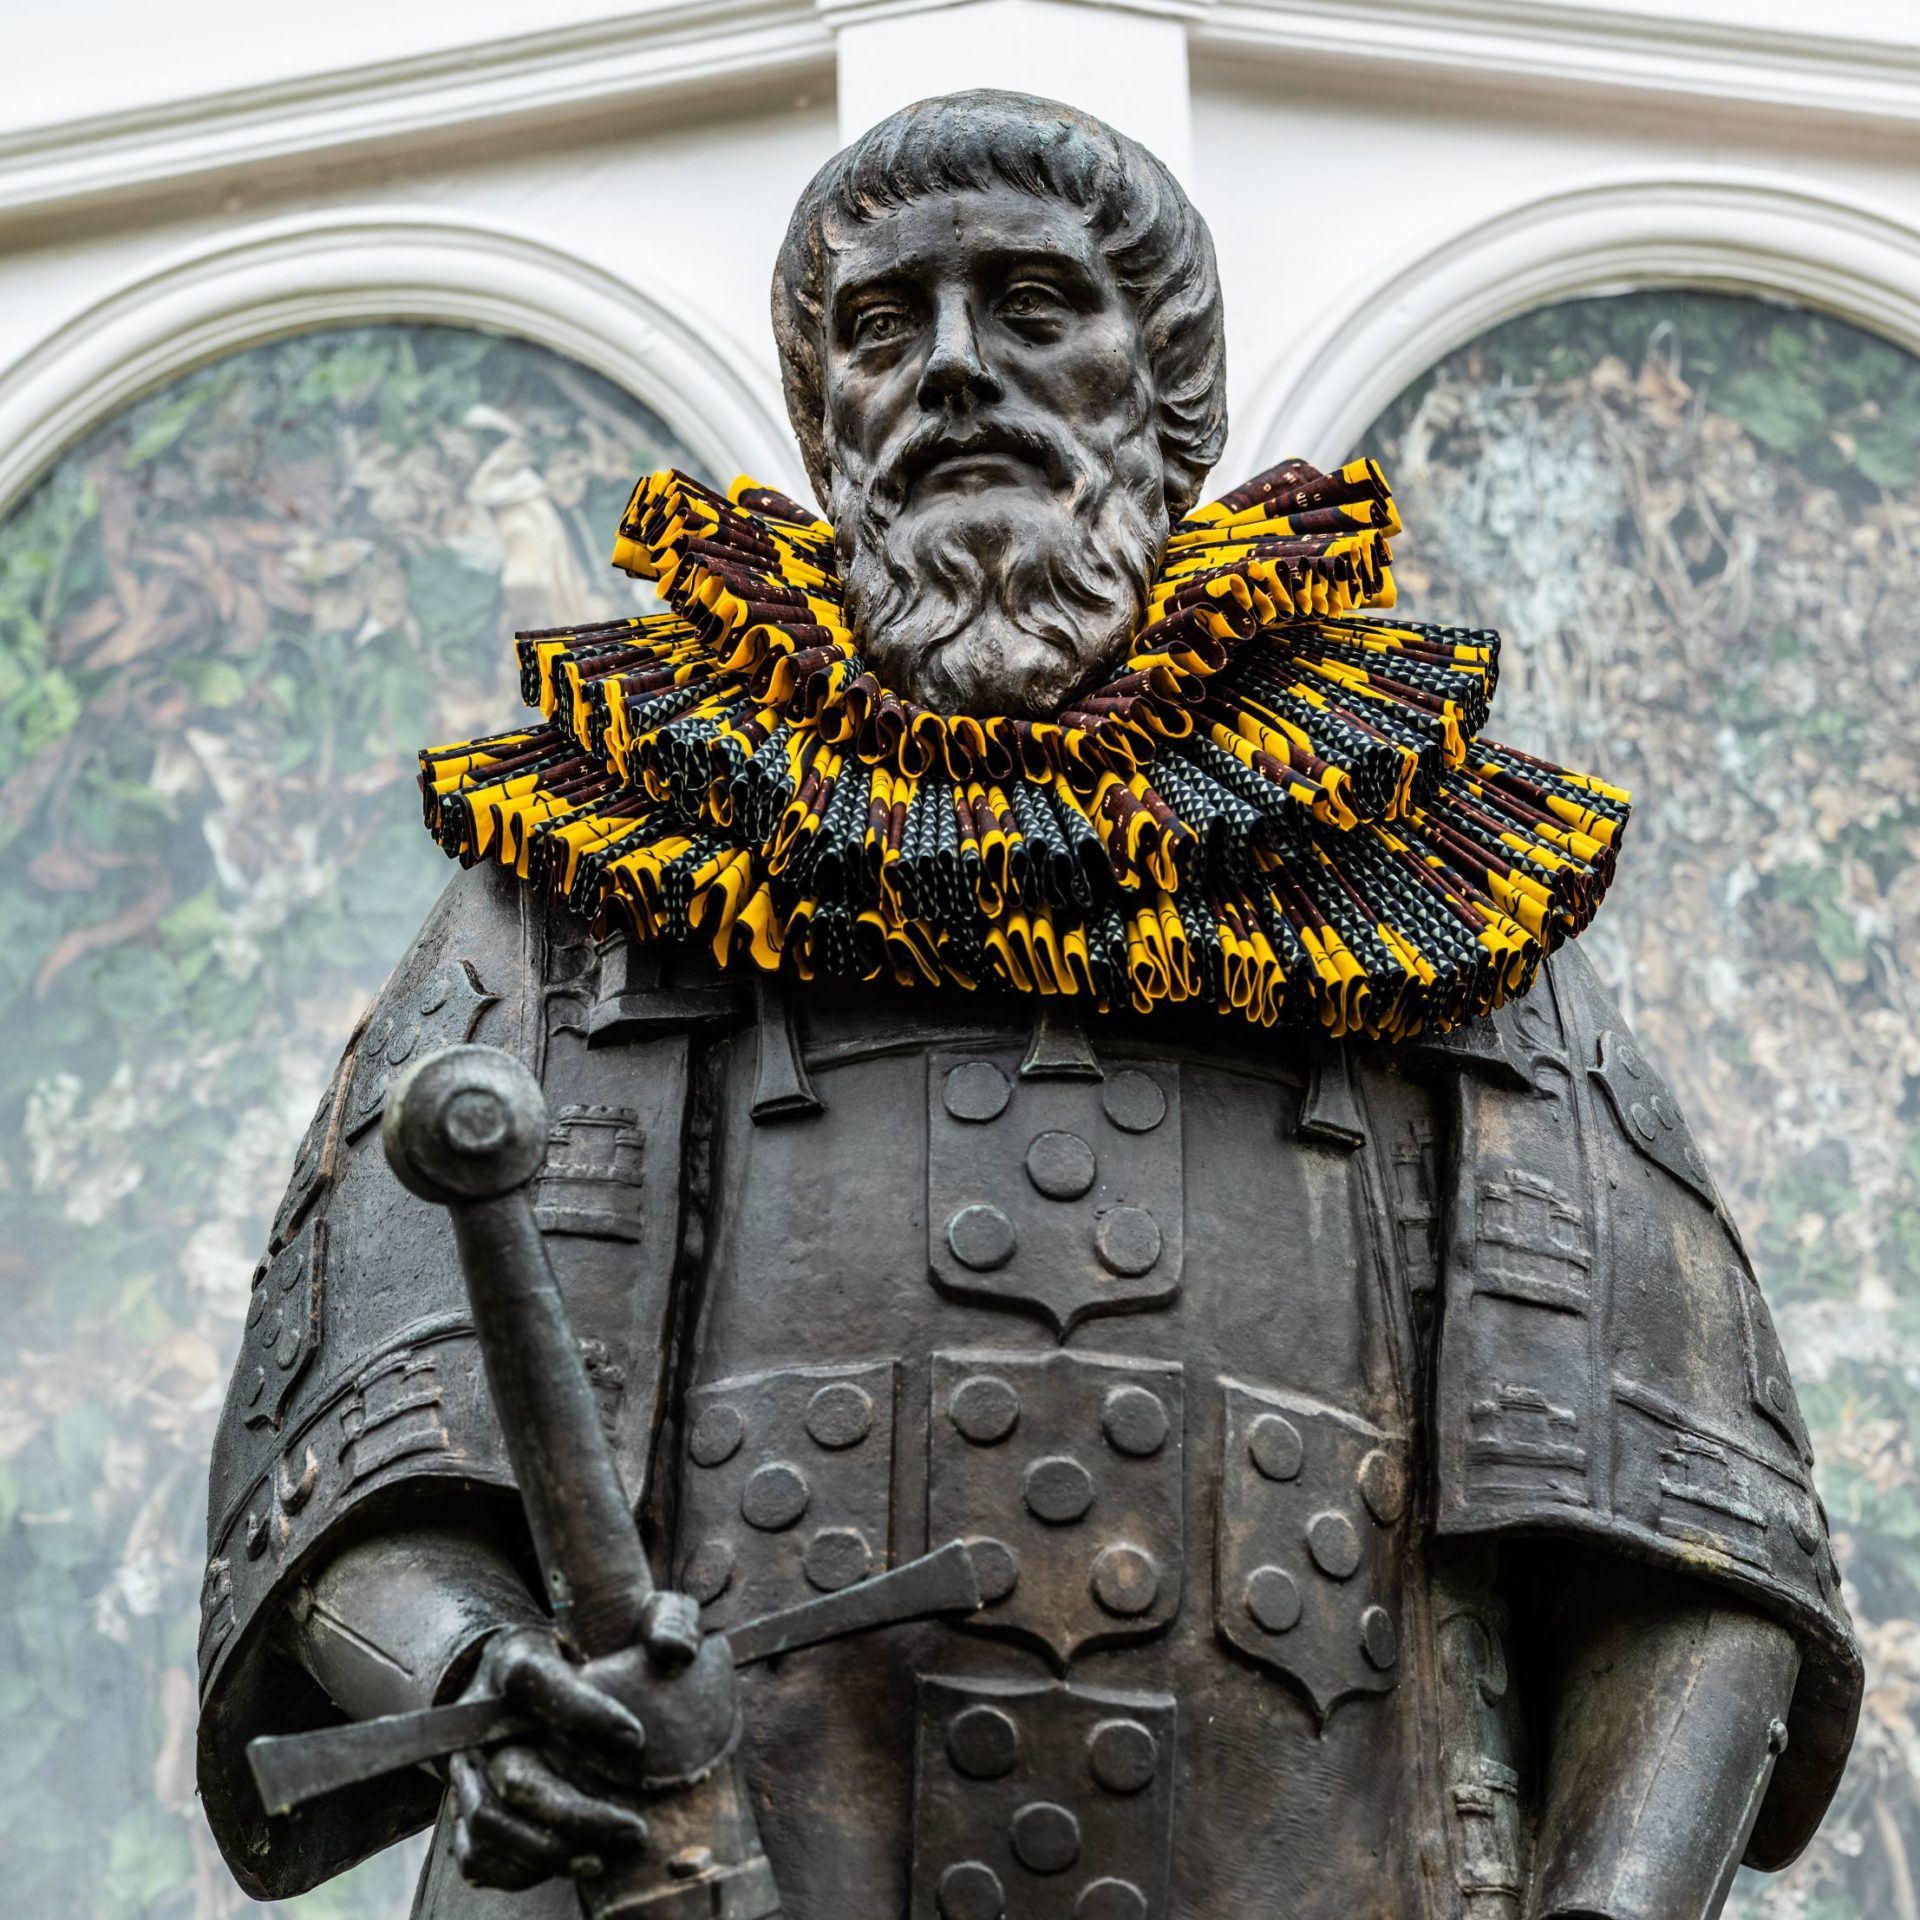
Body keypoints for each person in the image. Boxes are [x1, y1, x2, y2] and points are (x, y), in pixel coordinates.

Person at [199, 92, 1859, 1920]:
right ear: (826, 418)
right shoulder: (592, 868)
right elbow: (364, 1473)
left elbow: (1697, 1565)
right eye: (883, 328)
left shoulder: (1437, 889)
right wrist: (474, 1672)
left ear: (1168, 391)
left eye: (1036, 309)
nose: (955, 373)